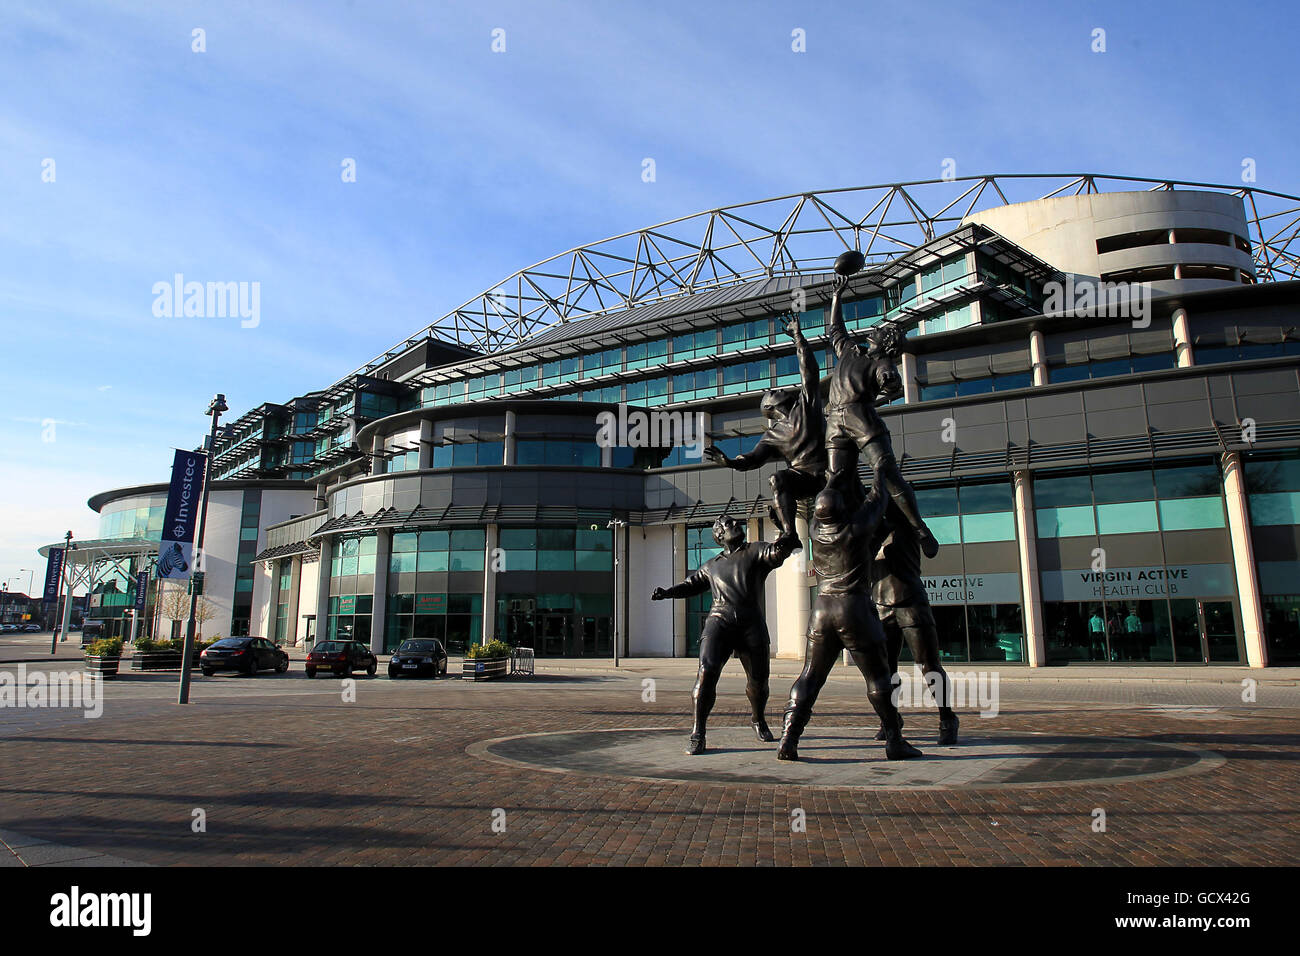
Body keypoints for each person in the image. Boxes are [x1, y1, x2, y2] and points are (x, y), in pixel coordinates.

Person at [778, 464, 922, 761]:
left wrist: (833, 473)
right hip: (853, 608)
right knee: (878, 677)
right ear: (844, 510)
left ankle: (788, 739)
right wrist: (880, 470)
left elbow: (835, 498)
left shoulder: (816, 532)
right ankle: (894, 739)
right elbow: (878, 499)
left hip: (821, 610)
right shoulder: (855, 530)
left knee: (810, 675)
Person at [652, 516, 799, 755]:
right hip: (719, 621)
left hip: (751, 623)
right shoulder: (712, 565)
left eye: (735, 522)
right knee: (706, 670)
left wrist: (785, 530)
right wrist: (667, 592)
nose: (735, 525)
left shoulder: (755, 550)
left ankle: (758, 719)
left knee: (759, 681)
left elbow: (777, 553)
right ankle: (698, 732)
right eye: (729, 524)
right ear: (719, 536)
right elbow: (691, 584)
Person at [823, 274, 939, 558]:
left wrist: (890, 381)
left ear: (885, 343)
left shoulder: (882, 362)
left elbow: (891, 381)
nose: (871, 333)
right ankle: (858, 530)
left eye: (877, 332)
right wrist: (837, 296)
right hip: (835, 422)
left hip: (861, 417)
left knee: (885, 472)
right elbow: (835, 329)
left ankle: (919, 527)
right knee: (835, 479)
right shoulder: (849, 352)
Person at [703, 310, 827, 545]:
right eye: (773, 393)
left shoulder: (806, 406)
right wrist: (729, 462)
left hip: (830, 470)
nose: (779, 390)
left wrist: (798, 337)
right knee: (776, 478)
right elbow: (752, 458)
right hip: (804, 479)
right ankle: (790, 534)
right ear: (770, 408)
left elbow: (809, 372)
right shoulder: (773, 435)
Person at [870, 499, 960, 745]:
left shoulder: (908, 525)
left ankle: (947, 718)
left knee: (929, 665)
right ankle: (890, 720)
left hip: (910, 601)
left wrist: (919, 525)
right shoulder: (871, 531)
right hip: (880, 605)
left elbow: (931, 548)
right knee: (885, 670)